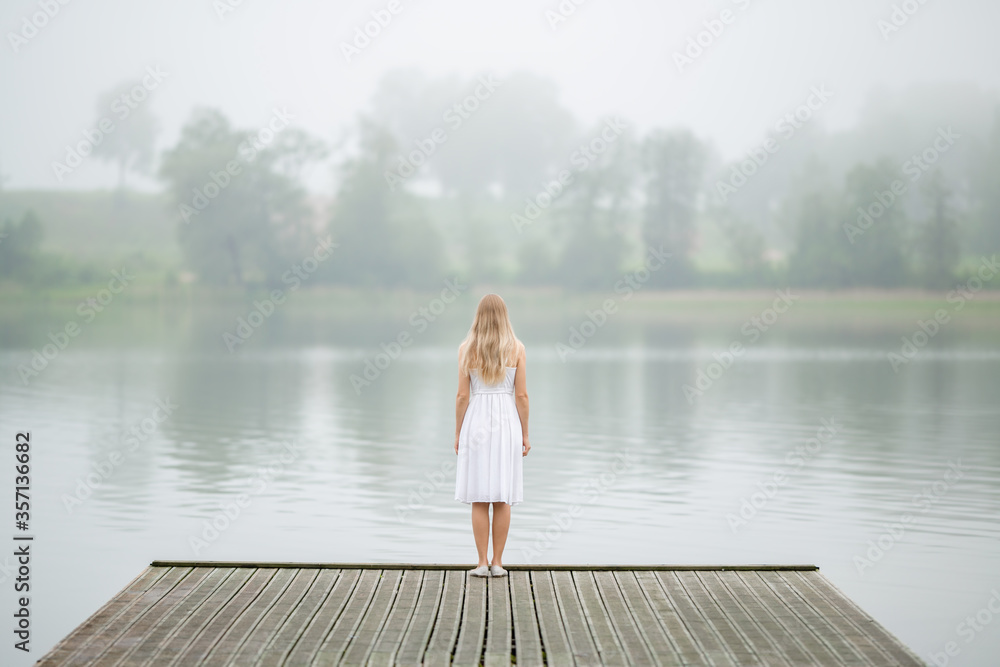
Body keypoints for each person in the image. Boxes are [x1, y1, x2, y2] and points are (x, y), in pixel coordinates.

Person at [454, 293, 530, 577]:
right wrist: (525, 433)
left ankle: (481, 562)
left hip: (476, 420)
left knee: (479, 497)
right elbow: (521, 395)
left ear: (479, 317)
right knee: (502, 495)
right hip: (506, 421)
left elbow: (462, 396)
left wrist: (458, 433)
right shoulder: (517, 348)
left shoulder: (466, 349)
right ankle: (498, 563)